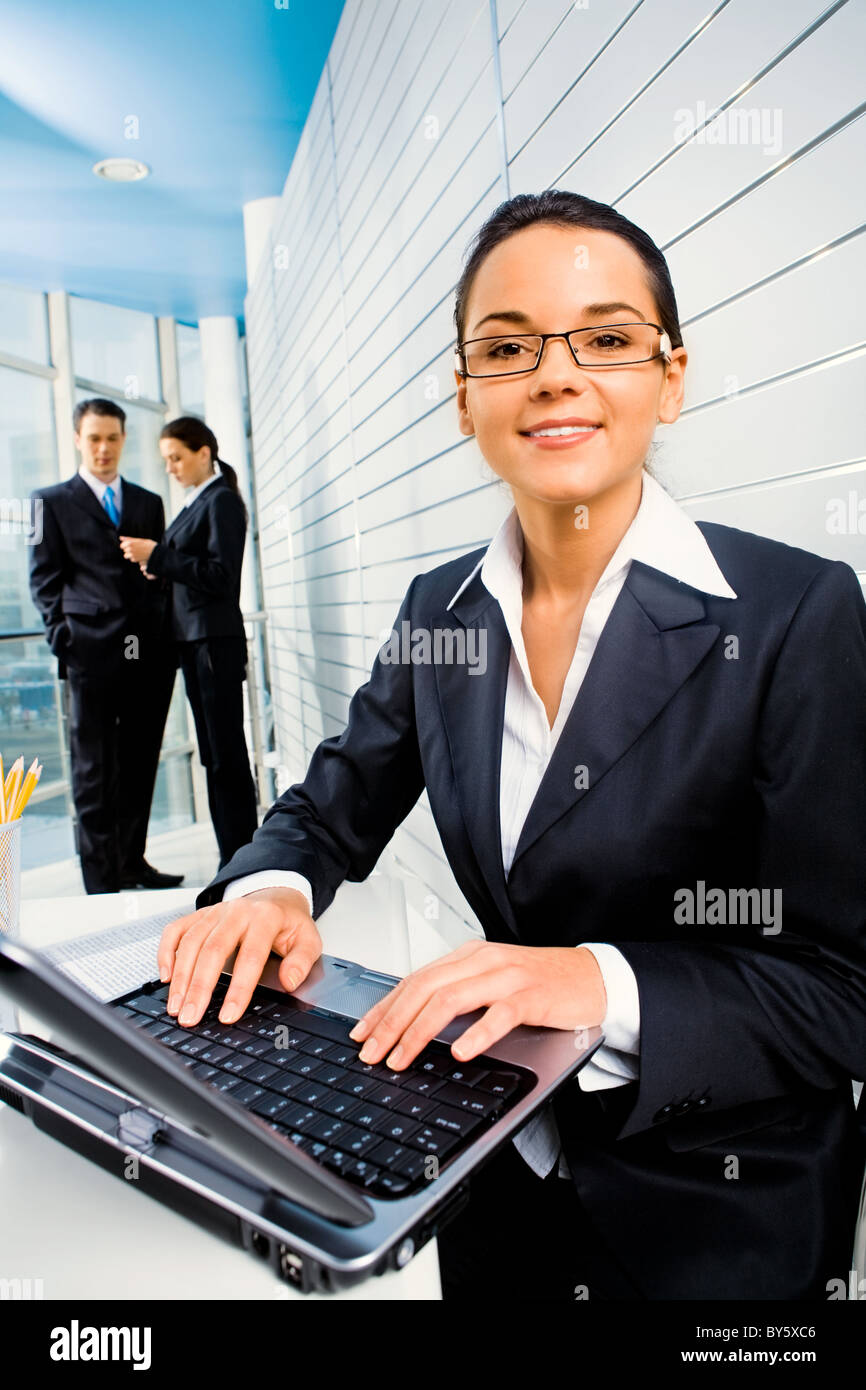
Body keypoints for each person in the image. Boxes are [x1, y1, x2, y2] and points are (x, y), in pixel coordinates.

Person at [150, 192, 866, 1301]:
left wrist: (595, 980)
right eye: (506, 346)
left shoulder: (794, 613)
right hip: (488, 1172)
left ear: (670, 379)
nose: (555, 375)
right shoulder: (440, 609)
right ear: (464, 397)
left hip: (715, 1218)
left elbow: (843, 990)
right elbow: (333, 802)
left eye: (607, 339)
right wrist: (269, 889)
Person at [29, 398, 182, 893]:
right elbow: (44, 581)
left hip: (146, 655)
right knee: (93, 772)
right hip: (88, 656)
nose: (103, 448)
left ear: (123, 439)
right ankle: (100, 882)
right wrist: (65, 640)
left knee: (139, 763)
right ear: (78, 439)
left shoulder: (147, 503)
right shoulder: (48, 502)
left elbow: (159, 575)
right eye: (94, 438)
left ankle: (131, 862)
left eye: (112, 438)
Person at [119, 418, 259, 870]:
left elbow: (221, 576)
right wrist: (160, 566)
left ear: (204, 453)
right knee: (216, 756)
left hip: (212, 644)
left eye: (177, 458)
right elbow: (195, 570)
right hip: (195, 643)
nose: (171, 468)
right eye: (166, 460)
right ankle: (234, 855)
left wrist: (158, 555)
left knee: (225, 757)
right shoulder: (198, 501)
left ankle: (241, 858)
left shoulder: (221, 502)